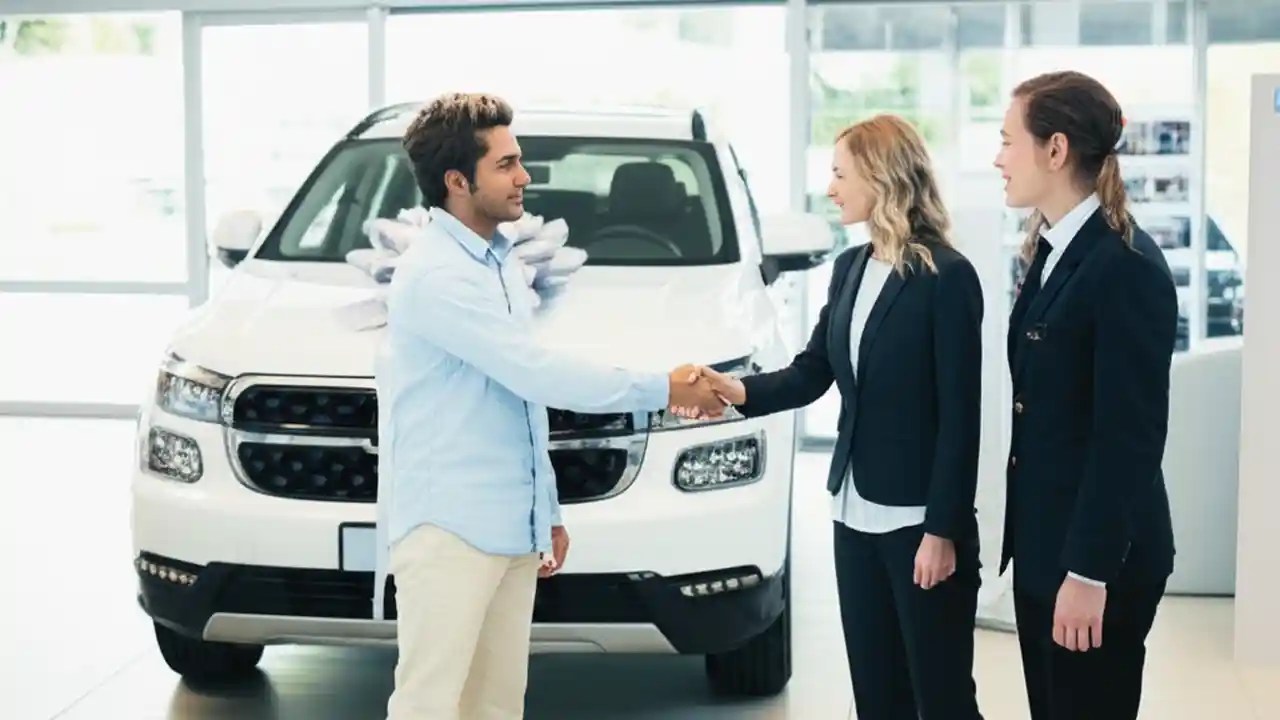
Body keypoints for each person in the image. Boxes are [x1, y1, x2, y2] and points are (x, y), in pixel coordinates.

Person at [378, 92, 725, 720]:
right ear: (458, 182)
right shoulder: (438, 276)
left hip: (509, 526)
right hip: (449, 531)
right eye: (506, 164)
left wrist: (547, 510)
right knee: (429, 705)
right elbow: (537, 373)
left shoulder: (497, 262)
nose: (524, 177)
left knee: (496, 707)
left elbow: (514, 399)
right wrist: (666, 389)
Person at [679, 114, 985, 720]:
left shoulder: (947, 278)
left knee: (943, 698)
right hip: (854, 513)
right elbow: (811, 371)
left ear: (882, 176)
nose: (831, 188)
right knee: (877, 695)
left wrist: (942, 529)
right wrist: (734, 389)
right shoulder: (849, 269)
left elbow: (961, 417)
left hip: (920, 525)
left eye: (841, 173)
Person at [993, 70, 1178, 720]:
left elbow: (1126, 438)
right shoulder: (1054, 252)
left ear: (1056, 149)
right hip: (1051, 545)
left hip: (1096, 562)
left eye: (1007, 140)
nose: (998, 159)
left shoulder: (1122, 265)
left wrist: (1089, 573)